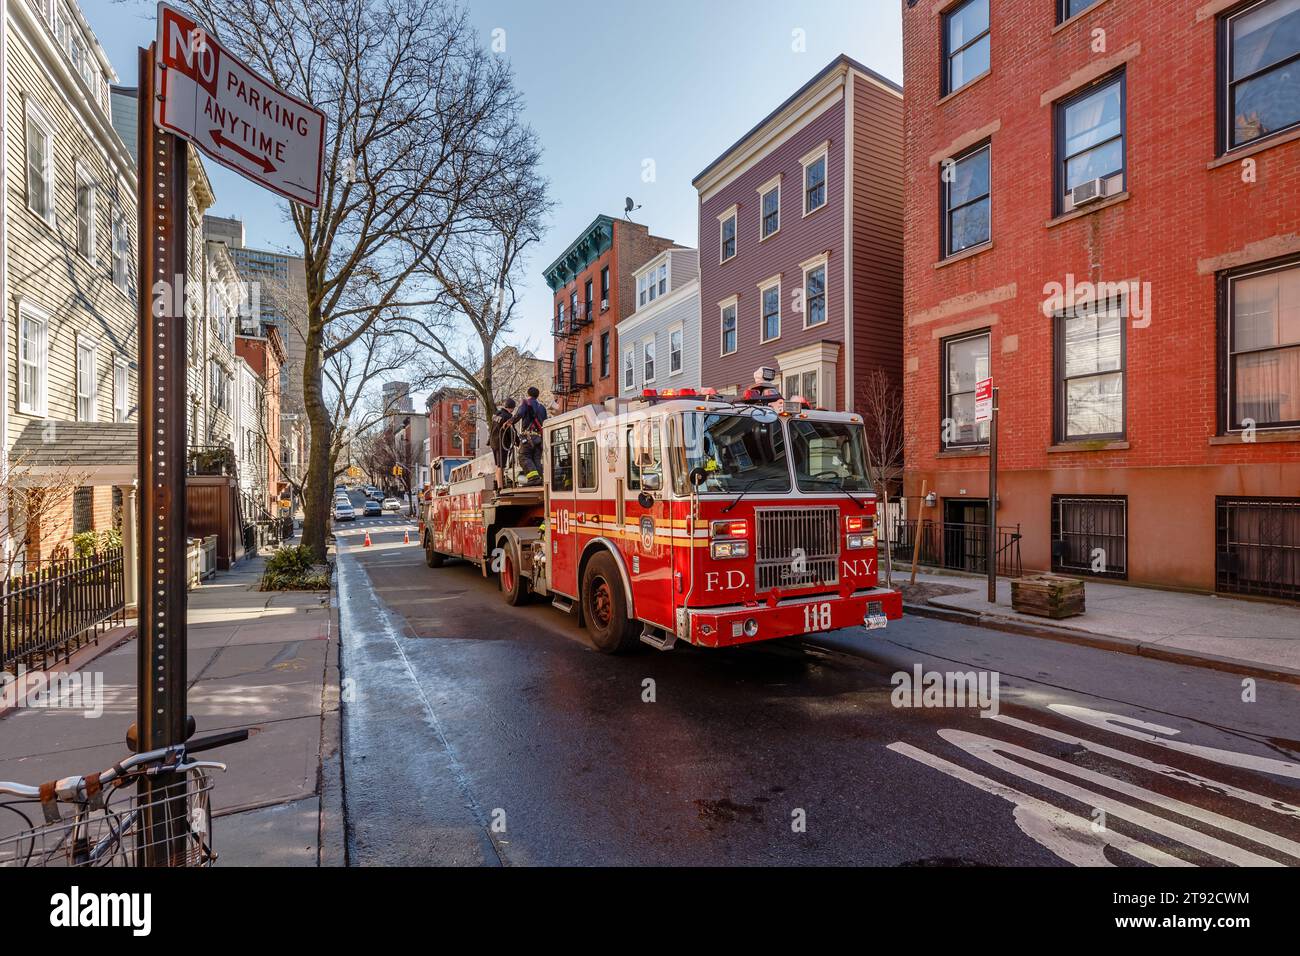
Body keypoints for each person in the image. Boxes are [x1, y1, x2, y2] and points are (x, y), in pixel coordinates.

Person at [511, 386, 548, 486]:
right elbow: (545, 422)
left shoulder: (526, 403)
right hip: (539, 438)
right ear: (537, 395)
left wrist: (510, 422)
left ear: (528, 394)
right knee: (536, 458)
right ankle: (540, 479)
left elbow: (519, 414)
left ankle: (533, 478)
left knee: (523, 456)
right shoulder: (542, 407)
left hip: (528, 437)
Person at [489, 398, 517, 486]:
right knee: (501, 466)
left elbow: (493, 427)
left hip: (493, 442)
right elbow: (512, 431)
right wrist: (518, 442)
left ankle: (496, 485)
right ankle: (500, 487)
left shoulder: (496, 414)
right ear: (511, 408)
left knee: (497, 465)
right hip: (502, 443)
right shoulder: (507, 416)